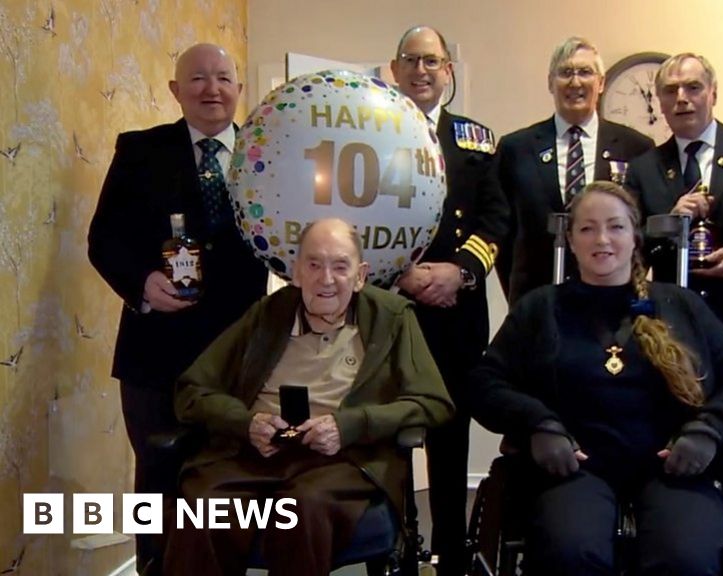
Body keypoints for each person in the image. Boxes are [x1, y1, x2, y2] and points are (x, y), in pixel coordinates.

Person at [470, 181, 723, 575]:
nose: (602, 239)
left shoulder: (680, 305)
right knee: (571, 553)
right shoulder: (540, 308)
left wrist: (710, 429)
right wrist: (536, 424)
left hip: (672, 465)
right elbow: (486, 382)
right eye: (587, 228)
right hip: (576, 467)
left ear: (635, 235)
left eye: (616, 226)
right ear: (571, 241)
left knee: (686, 558)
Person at [164, 218, 454, 576]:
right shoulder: (267, 314)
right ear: (296, 272)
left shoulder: (390, 318)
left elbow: (433, 402)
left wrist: (348, 425)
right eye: (314, 265)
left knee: (301, 508)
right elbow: (192, 390)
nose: (326, 279)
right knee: (204, 512)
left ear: (361, 275)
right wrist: (245, 423)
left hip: (342, 462)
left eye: (340, 266)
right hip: (254, 456)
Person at [87, 42, 268, 573]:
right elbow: (104, 239)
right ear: (175, 90)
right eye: (197, 79)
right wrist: (142, 283)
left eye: (223, 78)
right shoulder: (141, 151)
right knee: (159, 476)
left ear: (238, 88)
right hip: (155, 352)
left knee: (229, 479)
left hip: (240, 354)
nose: (212, 89)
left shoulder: (267, 157)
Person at [390, 25, 509, 576]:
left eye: (432, 62)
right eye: (411, 61)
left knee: (450, 429)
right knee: (387, 429)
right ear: (394, 70)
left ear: (449, 72)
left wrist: (459, 273)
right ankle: (391, 546)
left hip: (457, 307)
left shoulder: (476, 139)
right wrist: (401, 275)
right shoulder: (369, 128)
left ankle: (453, 552)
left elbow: (496, 220)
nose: (421, 71)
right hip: (390, 306)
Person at [625, 53, 723, 337]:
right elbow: (632, 249)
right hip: (674, 323)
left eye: (693, 87)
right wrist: (670, 222)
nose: (681, 98)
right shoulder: (643, 169)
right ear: (660, 102)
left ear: (713, 94)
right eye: (670, 90)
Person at [495, 37, 654, 304]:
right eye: (565, 73)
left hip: (613, 296)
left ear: (601, 83)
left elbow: (643, 228)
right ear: (550, 82)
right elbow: (503, 230)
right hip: (536, 298)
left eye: (585, 72)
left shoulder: (636, 147)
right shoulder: (515, 148)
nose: (575, 82)